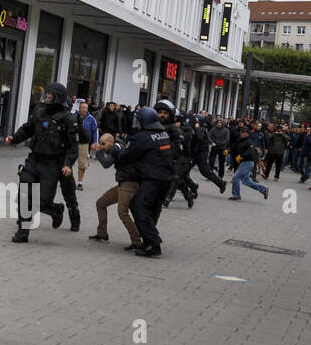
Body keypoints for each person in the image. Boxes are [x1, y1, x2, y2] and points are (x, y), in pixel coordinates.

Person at [6, 81, 78, 243]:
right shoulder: (39, 110)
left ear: (58, 97)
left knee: (43, 201)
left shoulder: (68, 119)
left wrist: (68, 164)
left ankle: (55, 210)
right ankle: (22, 232)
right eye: (47, 93)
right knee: (24, 195)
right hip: (34, 160)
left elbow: (73, 147)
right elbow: (28, 128)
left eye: (50, 95)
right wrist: (14, 138)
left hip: (52, 164)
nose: (47, 97)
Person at [116, 106, 175, 257]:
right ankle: (150, 238)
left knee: (138, 206)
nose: (137, 123)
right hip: (166, 178)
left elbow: (126, 156)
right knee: (152, 209)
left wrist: (117, 149)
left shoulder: (143, 136)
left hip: (153, 179)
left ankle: (153, 244)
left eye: (139, 120)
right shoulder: (162, 133)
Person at [87, 133, 144, 250]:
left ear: (111, 142)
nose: (102, 146)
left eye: (103, 144)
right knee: (101, 203)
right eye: (100, 144)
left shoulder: (115, 148)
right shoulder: (118, 145)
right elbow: (110, 155)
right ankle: (102, 234)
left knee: (122, 213)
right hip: (123, 184)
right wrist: (102, 149)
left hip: (129, 184)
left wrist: (97, 151)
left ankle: (137, 241)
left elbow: (106, 163)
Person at [227, 122, 268, 201]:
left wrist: (241, 156)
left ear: (247, 133)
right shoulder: (240, 140)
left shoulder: (250, 141)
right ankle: (263, 189)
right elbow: (233, 147)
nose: (241, 133)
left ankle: (236, 195)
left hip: (248, 162)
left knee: (235, 178)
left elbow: (250, 152)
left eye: (242, 132)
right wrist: (228, 151)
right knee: (246, 181)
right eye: (241, 132)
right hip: (243, 162)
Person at [189, 113, 227, 195]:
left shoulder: (201, 129)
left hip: (201, 153)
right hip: (196, 153)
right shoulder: (198, 128)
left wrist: (196, 129)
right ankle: (191, 186)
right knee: (185, 170)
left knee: (205, 172)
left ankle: (221, 183)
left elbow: (199, 137)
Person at [75, 100, 99, 189]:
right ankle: (65, 181)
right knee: (67, 162)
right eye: (82, 107)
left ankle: (79, 182)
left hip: (84, 144)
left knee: (82, 164)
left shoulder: (91, 118)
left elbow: (95, 131)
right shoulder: (73, 116)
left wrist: (95, 142)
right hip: (72, 143)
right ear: (79, 108)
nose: (84, 109)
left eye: (85, 107)